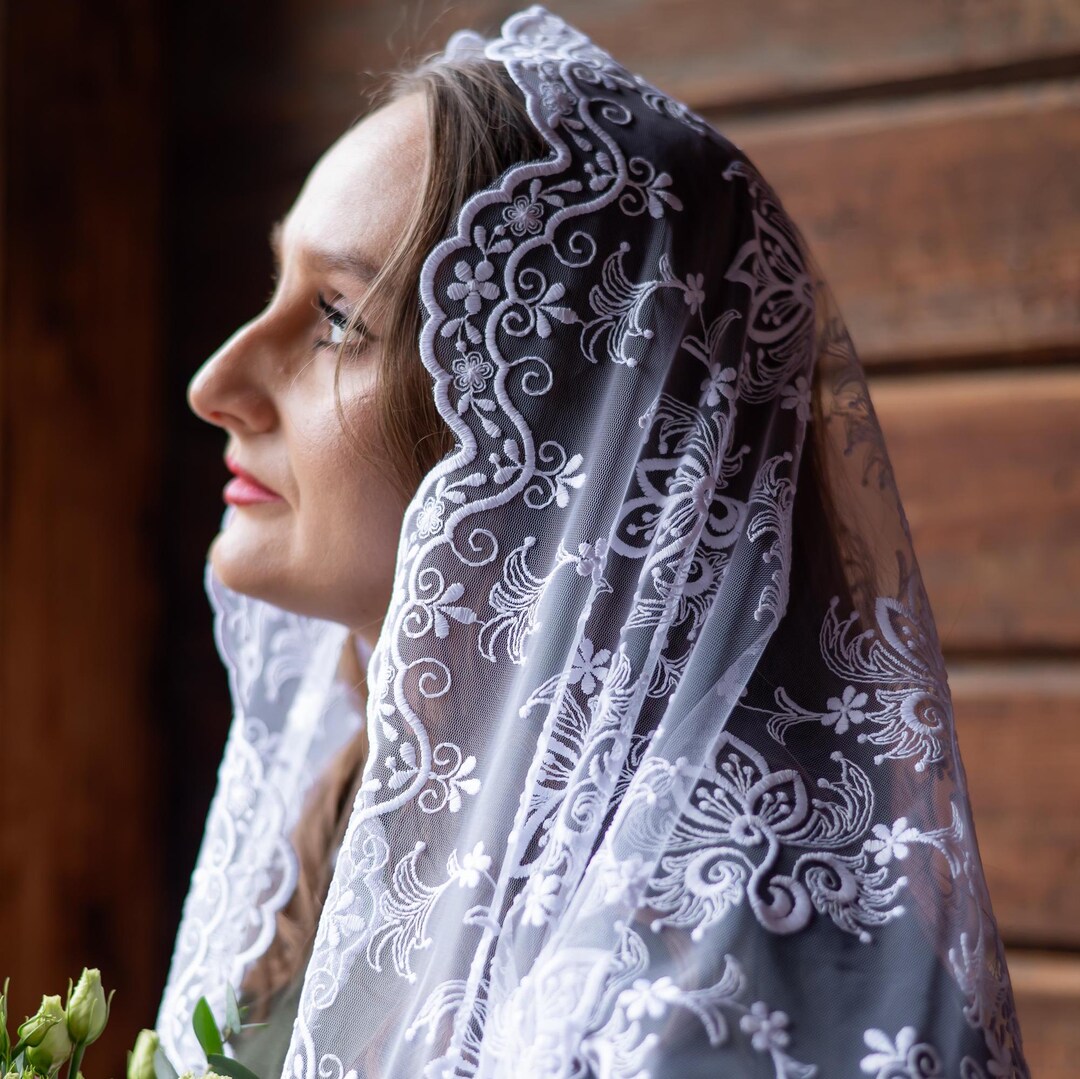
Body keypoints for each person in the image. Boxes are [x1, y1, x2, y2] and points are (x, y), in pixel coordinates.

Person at [156, 7, 1028, 1077]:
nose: (217, 384)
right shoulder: (340, 838)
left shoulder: (728, 974)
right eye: (275, 288)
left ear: (568, 423)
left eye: (339, 316)